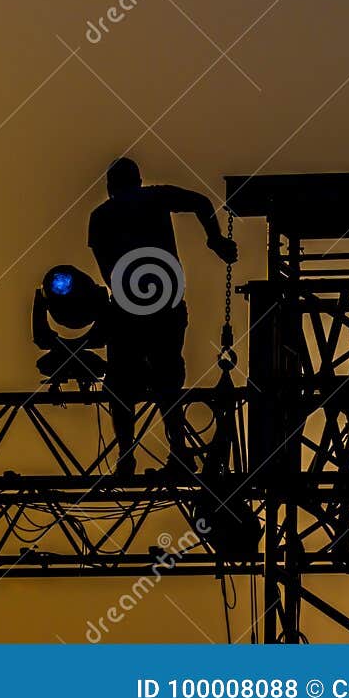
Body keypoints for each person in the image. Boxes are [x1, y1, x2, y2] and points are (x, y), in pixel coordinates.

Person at [88, 157, 237, 478]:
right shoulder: (154, 197)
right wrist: (214, 239)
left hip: (128, 310)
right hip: (165, 307)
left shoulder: (101, 216)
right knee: (166, 379)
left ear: (110, 187)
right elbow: (200, 201)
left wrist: (120, 303)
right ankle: (179, 452)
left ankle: (126, 457)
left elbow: (107, 268)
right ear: (138, 181)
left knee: (120, 385)